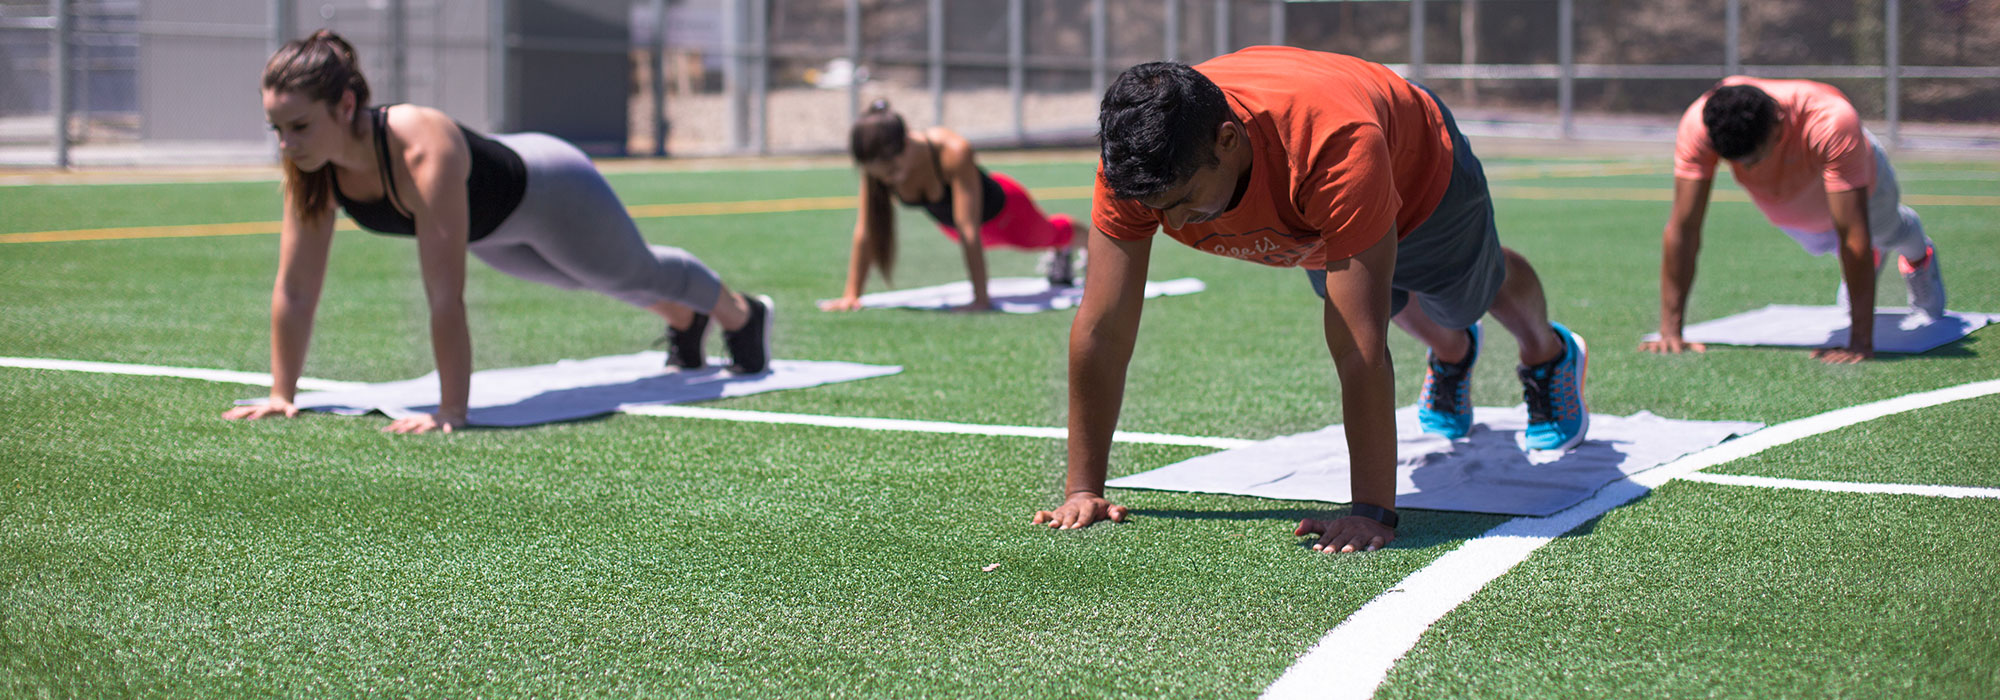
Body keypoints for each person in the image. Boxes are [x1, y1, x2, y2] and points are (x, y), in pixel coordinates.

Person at [1031, 47, 1590, 554]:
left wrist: (1372, 512)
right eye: (1156, 206)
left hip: (1420, 172)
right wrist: (1085, 488)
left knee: (1463, 294)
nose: (1170, 224)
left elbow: (1358, 345)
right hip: (1313, 213)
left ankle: (1547, 352)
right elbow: (1103, 327)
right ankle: (1452, 355)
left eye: (1181, 201)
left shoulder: (1335, 147)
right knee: (1381, 297)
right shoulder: (1138, 165)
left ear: (1227, 140)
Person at [222, 30, 772, 434]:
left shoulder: (419, 144)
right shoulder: (312, 166)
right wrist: (281, 393)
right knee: (586, 280)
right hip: (492, 230)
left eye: (298, 127)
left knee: (628, 271)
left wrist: (451, 410)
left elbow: (445, 295)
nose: (285, 145)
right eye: (276, 129)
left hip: (551, 189)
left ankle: (742, 314)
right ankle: (684, 318)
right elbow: (296, 288)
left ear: (345, 106)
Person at [1642, 77, 1946, 365]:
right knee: (1829, 243)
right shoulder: (1702, 123)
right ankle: (1870, 256)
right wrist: (1670, 331)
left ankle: (1918, 254)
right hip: (1798, 212)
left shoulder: (1830, 120)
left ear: (1778, 122)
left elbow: (1853, 232)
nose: (1747, 169)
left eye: (1754, 158)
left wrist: (1860, 341)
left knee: (1886, 231)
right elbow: (1684, 227)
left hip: (1867, 195)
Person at [819, 101, 1085, 313]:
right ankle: (1062, 253)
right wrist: (851, 295)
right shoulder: (877, 165)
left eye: (893, 171)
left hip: (1008, 215)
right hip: (956, 230)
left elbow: (968, 228)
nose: (889, 180)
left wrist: (980, 299)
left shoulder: (951, 151)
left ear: (908, 144)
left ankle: (1091, 241)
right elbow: (867, 229)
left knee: (1050, 235)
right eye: (880, 175)